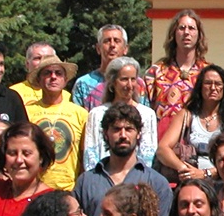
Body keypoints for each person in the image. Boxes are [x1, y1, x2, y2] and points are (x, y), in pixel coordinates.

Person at [74, 104, 171, 216]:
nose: (123, 135)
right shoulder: (86, 181)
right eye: (116, 129)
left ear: (138, 134)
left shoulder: (156, 182)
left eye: (129, 129)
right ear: (105, 134)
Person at [157, 63, 224, 183]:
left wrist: (206, 173)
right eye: (208, 83)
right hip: (191, 184)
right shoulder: (186, 115)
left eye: (218, 84)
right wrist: (185, 169)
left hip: (222, 184)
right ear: (200, 87)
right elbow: (163, 149)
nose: (213, 88)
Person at [83, 57, 159, 170]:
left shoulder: (147, 114)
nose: (129, 85)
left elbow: (148, 154)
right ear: (113, 82)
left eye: (133, 79)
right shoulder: (97, 114)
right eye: (124, 79)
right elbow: (90, 154)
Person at [24, 53, 85, 192]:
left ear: (65, 80)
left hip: (68, 189)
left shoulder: (80, 114)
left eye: (58, 73)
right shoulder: (26, 111)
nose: (53, 77)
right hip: (34, 189)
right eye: (47, 73)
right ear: (39, 80)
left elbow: (83, 157)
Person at [146, 9, 208, 140]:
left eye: (191, 28)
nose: (186, 32)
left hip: (198, 144)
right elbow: (144, 112)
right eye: (181, 28)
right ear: (173, 34)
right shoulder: (155, 72)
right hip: (162, 144)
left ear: (199, 35)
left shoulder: (208, 73)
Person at [70, 26, 131, 110]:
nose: (112, 45)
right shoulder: (83, 84)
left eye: (117, 41)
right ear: (98, 48)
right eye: (107, 41)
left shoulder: (136, 84)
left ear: (125, 49)